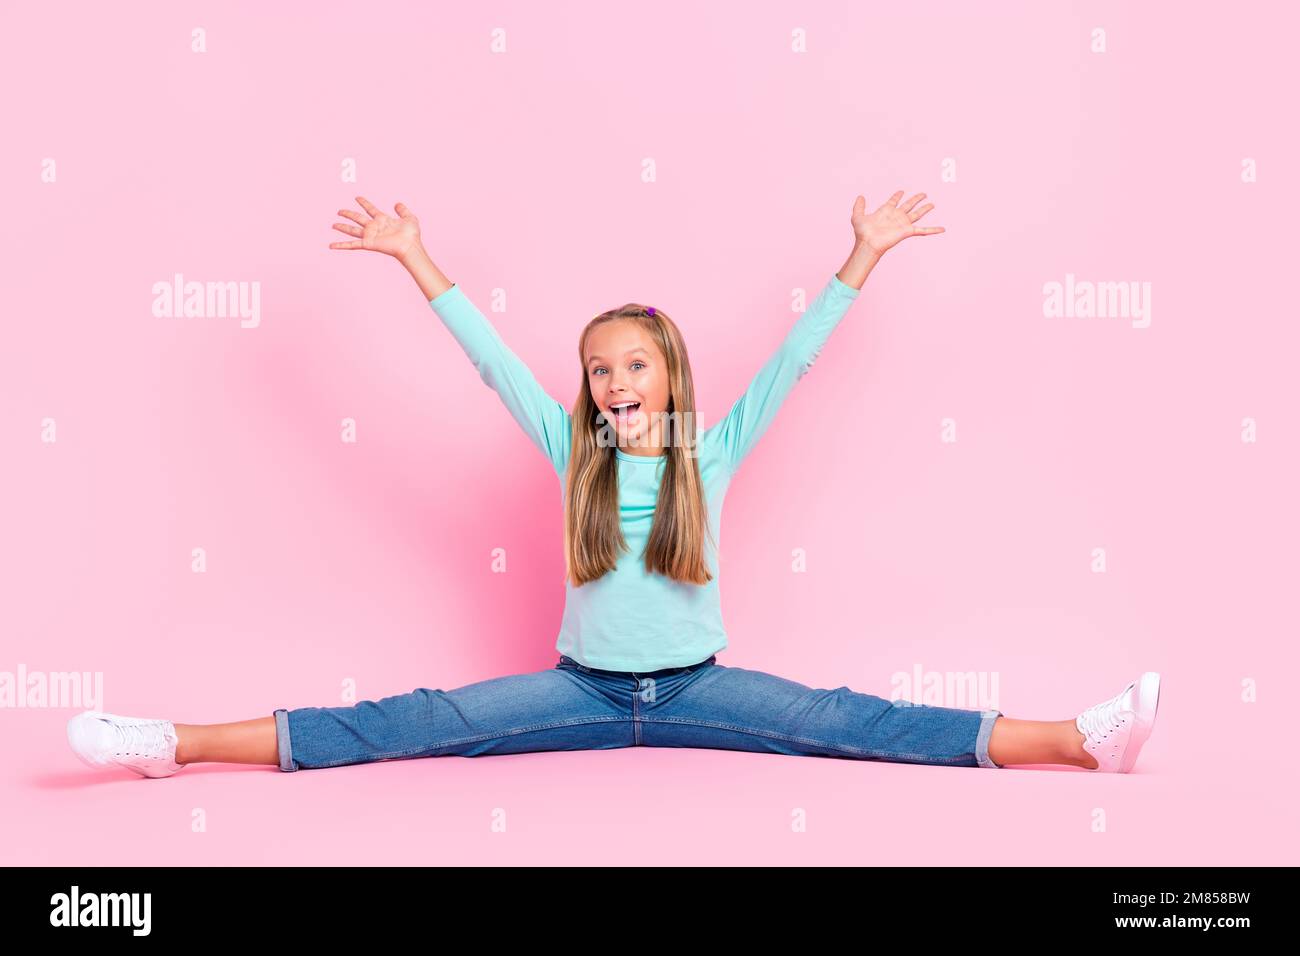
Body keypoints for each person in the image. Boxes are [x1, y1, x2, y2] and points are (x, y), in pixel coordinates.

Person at [67, 192, 1160, 779]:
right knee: (419, 720)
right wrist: (414, 255)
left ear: (670, 375)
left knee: (848, 721)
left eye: (634, 363)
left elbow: (797, 357)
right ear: (586, 388)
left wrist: (862, 255)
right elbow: (489, 357)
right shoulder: (570, 447)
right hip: (578, 690)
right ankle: (176, 741)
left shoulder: (710, 450)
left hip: (699, 688)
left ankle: (1074, 735)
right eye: (599, 367)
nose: (614, 379)